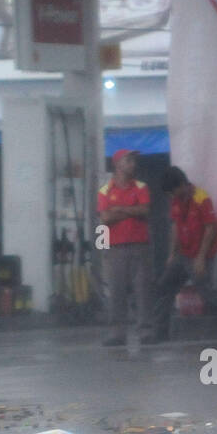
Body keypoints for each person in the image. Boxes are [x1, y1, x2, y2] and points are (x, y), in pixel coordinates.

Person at [152, 166, 217, 340]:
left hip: (200, 255)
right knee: (164, 286)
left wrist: (201, 258)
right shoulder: (177, 201)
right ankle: (160, 332)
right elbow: (175, 227)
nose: (171, 197)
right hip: (183, 254)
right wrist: (172, 254)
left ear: (180, 186)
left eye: (172, 192)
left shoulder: (201, 198)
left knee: (207, 292)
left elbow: (210, 228)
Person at [97, 148, 157, 346]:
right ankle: (117, 333)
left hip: (140, 246)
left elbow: (145, 211)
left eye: (133, 161)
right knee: (116, 291)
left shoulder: (141, 187)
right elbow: (105, 218)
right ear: (117, 164)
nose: (133, 164)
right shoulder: (105, 190)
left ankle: (145, 331)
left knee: (143, 290)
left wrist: (120, 209)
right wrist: (132, 211)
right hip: (115, 248)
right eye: (128, 160)